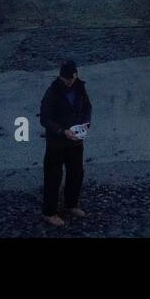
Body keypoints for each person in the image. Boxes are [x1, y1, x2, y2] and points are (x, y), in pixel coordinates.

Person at [39, 60, 92, 226]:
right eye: (66, 79)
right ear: (60, 77)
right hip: (57, 143)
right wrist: (62, 131)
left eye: (72, 78)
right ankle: (49, 212)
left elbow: (87, 107)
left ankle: (71, 204)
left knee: (76, 173)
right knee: (53, 176)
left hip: (76, 140)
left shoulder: (80, 86)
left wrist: (85, 123)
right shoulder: (52, 91)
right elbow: (44, 119)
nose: (69, 82)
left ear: (76, 75)